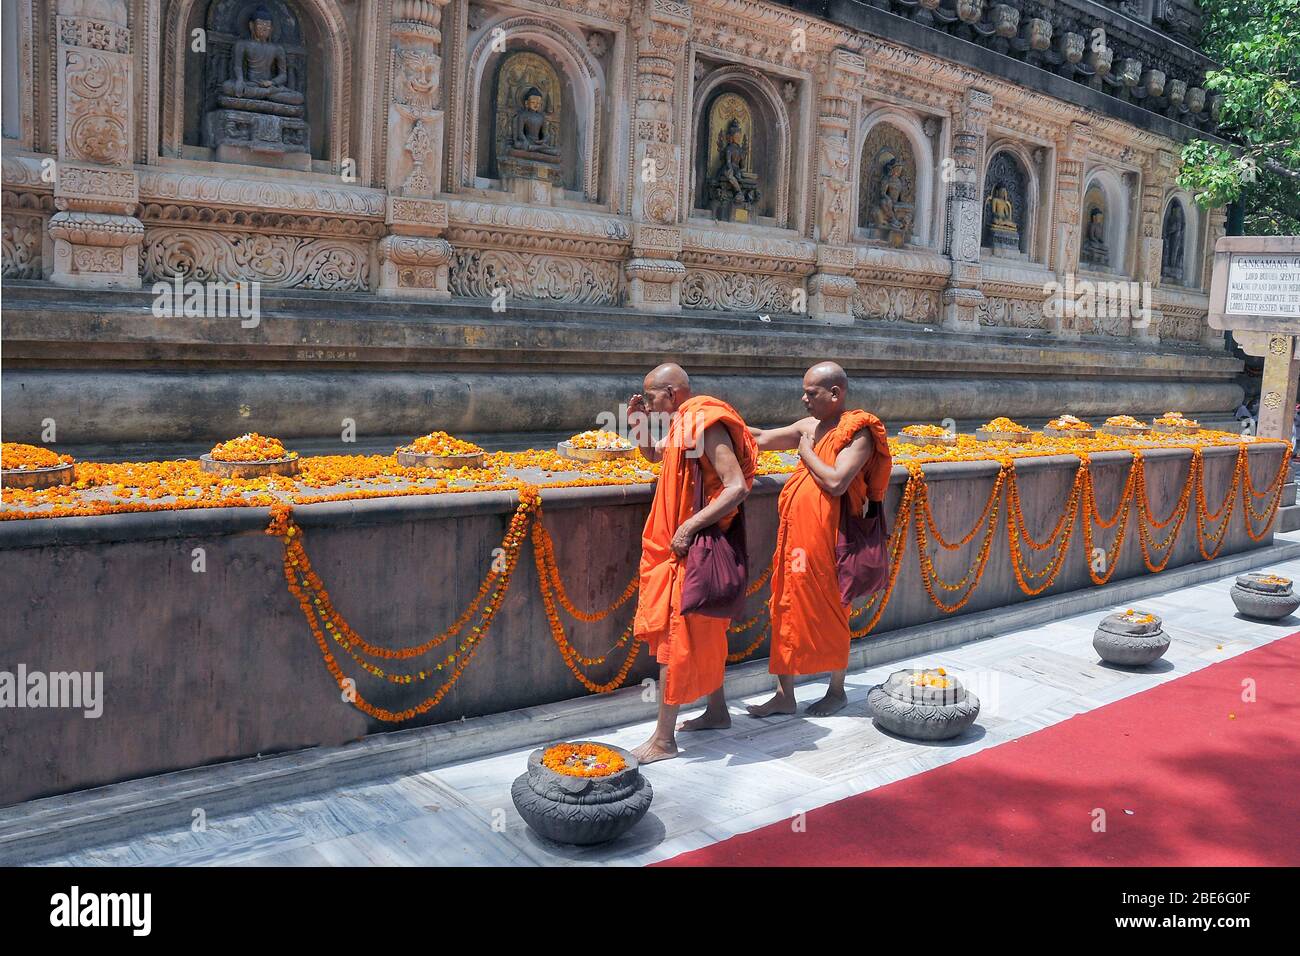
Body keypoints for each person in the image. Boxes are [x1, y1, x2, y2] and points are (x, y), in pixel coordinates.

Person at [746, 362, 891, 717]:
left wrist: (806, 452)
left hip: (830, 539)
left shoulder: (858, 433)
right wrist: (716, 421)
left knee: (831, 607)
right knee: (785, 600)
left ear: (835, 394)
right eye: (804, 391)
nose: (804, 399)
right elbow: (762, 439)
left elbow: (837, 481)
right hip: (796, 536)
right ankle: (785, 694)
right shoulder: (807, 427)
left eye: (812, 393)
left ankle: (837, 690)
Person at [629, 364, 757, 763]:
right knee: (705, 634)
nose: (650, 402)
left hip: (694, 549)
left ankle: (664, 739)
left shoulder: (704, 424)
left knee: (677, 640)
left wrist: (688, 528)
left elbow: (736, 486)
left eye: (651, 397)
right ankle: (718, 711)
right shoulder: (682, 422)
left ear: (671, 392)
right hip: (688, 545)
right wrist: (639, 422)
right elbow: (656, 457)